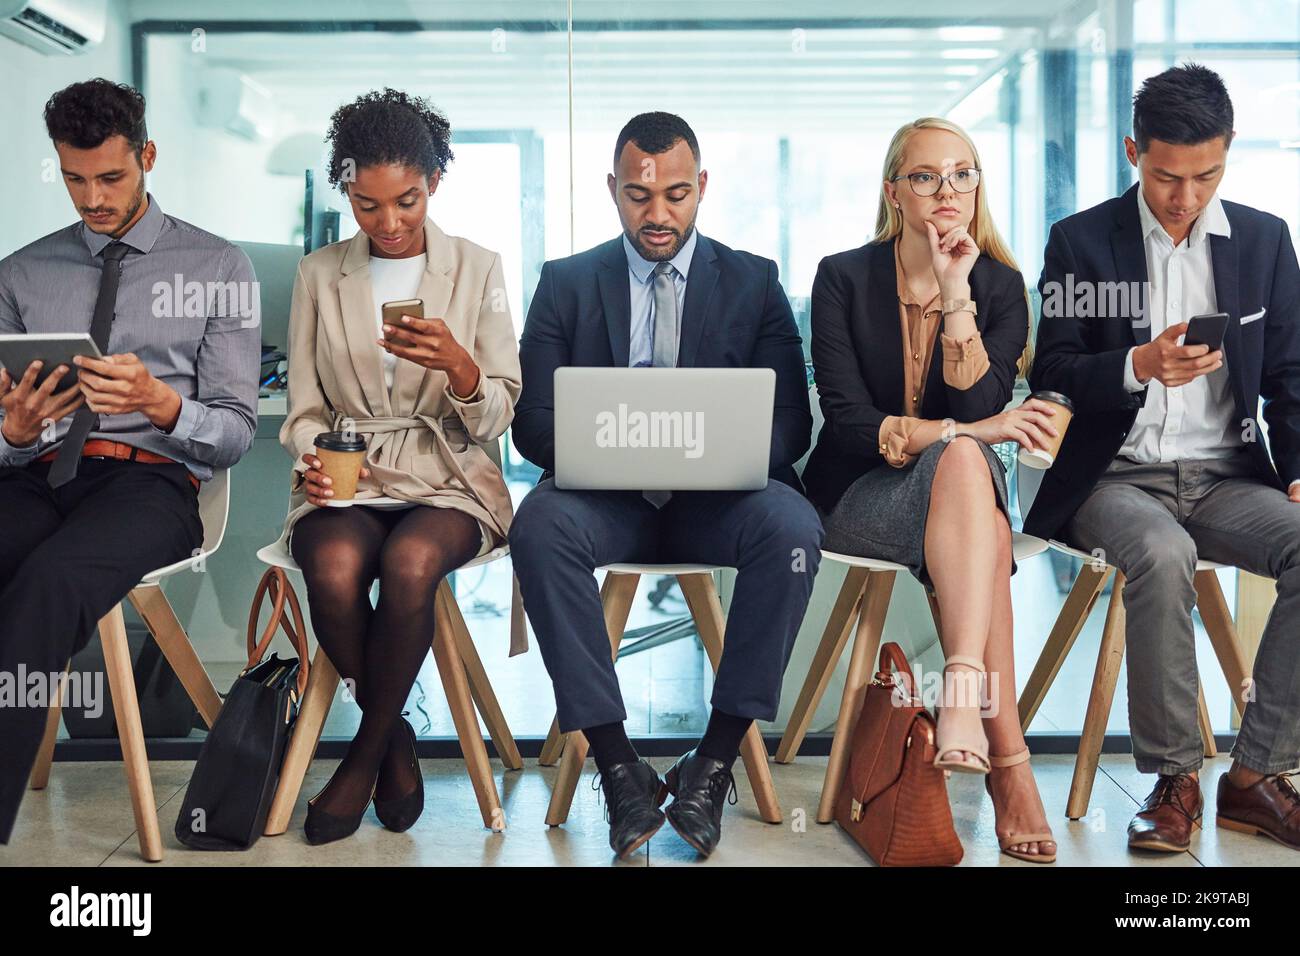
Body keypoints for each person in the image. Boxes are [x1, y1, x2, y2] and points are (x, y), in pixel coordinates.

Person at [509, 111, 822, 859]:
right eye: (639, 196)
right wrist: (612, 451)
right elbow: (531, 423)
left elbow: (792, 425)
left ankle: (711, 766)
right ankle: (618, 769)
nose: (658, 215)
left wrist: (724, 454)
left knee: (795, 530)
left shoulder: (754, 281)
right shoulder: (565, 282)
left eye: (677, 195)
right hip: (603, 503)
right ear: (612, 189)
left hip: (715, 504)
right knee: (538, 526)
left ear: (702, 187)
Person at [1026, 63, 1300, 853]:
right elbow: (1053, 369)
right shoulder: (1079, 240)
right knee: (1160, 551)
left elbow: (1290, 379)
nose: (1185, 197)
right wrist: (1136, 366)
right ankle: (1175, 781)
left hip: (1225, 477)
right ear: (1131, 151)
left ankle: (1255, 776)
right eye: (1166, 175)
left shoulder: (1263, 239)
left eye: (1206, 174)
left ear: (1229, 153)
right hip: (1115, 481)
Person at [0, 79, 260, 843]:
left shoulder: (218, 267)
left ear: (147, 156)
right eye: (75, 178)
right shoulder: (21, 274)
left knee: (47, 581)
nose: (93, 197)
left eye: (111, 177)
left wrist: (161, 403)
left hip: (150, 483)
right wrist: (16, 431)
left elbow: (238, 431)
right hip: (36, 474)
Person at [803, 116, 1059, 863]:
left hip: (962, 504)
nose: (948, 191)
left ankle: (965, 698)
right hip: (858, 497)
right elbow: (850, 424)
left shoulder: (1002, 287)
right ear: (894, 191)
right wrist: (966, 435)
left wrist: (956, 295)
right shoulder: (842, 277)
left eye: (964, 173)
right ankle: (1007, 768)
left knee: (963, 476)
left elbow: (976, 405)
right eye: (925, 176)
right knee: (967, 472)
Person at [274, 89, 521, 844]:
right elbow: (305, 407)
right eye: (366, 204)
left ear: (435, 183)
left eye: (406, 201)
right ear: (346, 192)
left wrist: (460, 367)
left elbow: (500, 411)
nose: (387, 223)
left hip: (446, 474)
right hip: (351, 471)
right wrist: (315, 456)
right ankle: (397, 739)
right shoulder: (320, 274)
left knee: (412, 563)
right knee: (336, 568)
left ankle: (362, 757)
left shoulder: (477, 268)